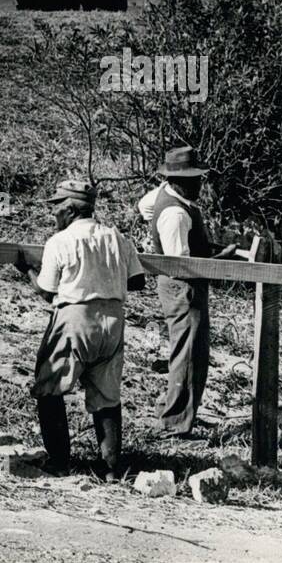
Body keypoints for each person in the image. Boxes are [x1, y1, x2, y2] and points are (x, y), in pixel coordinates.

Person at [16, 180, 145, 480]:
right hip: (113, 322)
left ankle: (59, 462)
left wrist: (27, 270)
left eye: (58, 209)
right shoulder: (116, 237)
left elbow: (47, 291)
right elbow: (138, 281)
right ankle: (111, 470)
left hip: (75, 318)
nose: (55, 215)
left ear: (72, 210)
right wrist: (104, 276)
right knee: (107, 396)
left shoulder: (60, 241)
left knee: (49, 388)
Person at [137, 146, 237, 439]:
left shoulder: (163, 196)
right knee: (190, 354)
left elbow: (144, 207)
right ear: (176, 180)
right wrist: (223, 258)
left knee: (187, 350)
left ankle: (175, 411)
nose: (199, 185)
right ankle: (175, 423)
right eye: (193, 180)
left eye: (200, 178)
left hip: (182, 284)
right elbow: (181, 265)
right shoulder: (176, 215)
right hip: (183, 286)